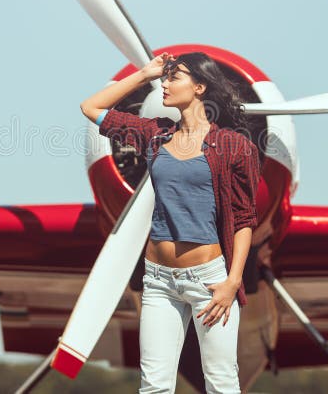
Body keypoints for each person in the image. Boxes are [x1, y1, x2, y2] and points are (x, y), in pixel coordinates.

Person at [80, 51, 261, 393]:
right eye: (165, 78)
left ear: (200, 87)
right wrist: (144, 74)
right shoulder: (154, 134)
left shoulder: (235, 146)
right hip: (158, 281)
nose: (164, 84)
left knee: (222, 382)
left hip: (210, 283)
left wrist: (232, 282)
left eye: (173, 77)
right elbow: (91, 108)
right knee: (154, 385)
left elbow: (244, 220)